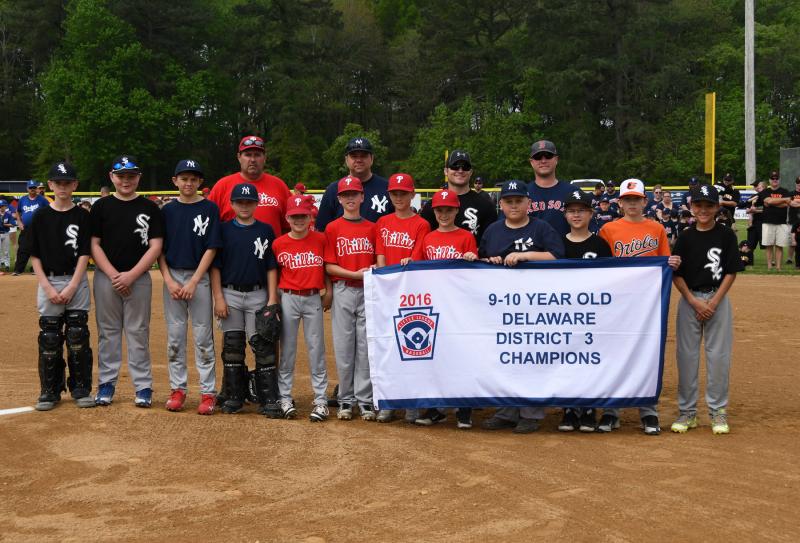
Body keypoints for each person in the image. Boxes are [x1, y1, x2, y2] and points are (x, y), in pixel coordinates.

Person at [479, 180, 565, 434]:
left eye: (519, 201)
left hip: (535, 306)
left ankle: (531, 412)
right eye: (509, 201)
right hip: (502, 305)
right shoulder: (493, 231)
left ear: (529, 203)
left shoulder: (541, 228)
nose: (514, 205)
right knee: (505, 358)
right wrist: (490, 260)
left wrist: (526, 255)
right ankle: (507, 410)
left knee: (531, 358)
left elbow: (557, 255)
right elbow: (482, 260)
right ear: (501, 204)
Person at [597, 178, 680, 435]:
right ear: (620, 202)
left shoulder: (656, 229)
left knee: (647, 353)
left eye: (636, 199)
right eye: (627, 200)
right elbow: (600, 269)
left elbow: (663, 263)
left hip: (647, 302)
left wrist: (672, 264)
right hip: (617, 302)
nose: (632, 204)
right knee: (615, 353)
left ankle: (648, 410)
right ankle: (612, 411)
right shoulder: (608, 230)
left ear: (645, 201)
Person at [91, 155, 164, 407]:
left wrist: (132, 274)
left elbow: (156, 245)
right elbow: (93, 244)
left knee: (138, 332)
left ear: (138, 178)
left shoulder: (149, 208)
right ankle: (106, 383)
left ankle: (143, 386)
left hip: (139, 277)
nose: (126, 180)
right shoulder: (101, 207)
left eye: (131, 175)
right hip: (105, 277)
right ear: (112, 177)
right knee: (108, 332)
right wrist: (113, 274)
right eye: (121, 175)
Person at [671, 184, 743, 435]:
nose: (703, 210)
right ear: (692, 207)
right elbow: (676, 274)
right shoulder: (685, 236)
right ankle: (688, 412)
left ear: (717, 208)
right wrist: (692, 300)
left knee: (719, 357)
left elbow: (731, 271)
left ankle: (718, 412)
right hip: (690, 299)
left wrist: (712, 302)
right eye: (699, 205)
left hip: (717, 299)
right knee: (686, 357)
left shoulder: (726, 235)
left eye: (709, 205)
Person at [28, 162, 95, 411]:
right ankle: (49, 390)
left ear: (75, 185)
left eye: (68, 182)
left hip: (75, 280)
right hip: (49, 280)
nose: (63, 187)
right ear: (50, 186)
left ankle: (80, 388)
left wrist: (73, 285)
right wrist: (46, 286)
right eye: (58, 183)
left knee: (78, 334)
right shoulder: (41, 216)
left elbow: (84, 254)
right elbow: (34, 254)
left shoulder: (81, 216)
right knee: (49, 337)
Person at [158, 159, 222, 415]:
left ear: (200, 183)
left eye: (194, 179)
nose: (188, 183)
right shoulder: (166, 211)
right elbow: (159, 250)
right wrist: (169, 280)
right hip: (172, 276)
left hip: (200, 277)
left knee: (203, 336)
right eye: (184, 178)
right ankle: (178, 389)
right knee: (175, 337)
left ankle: (208, 392)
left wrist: (195, 280)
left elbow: (212, 246)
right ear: (175, 181)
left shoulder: (209, 208)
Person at [411, 189, 479, 429]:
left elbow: (475, 269)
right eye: (439, 210)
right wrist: (406, 264)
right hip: (434, 304)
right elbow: (416, 267)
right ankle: (434, 408)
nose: (444, 214)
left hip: (459, 305)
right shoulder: (428, 238)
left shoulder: (465, 236)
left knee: (461, 355)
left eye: (448, 209)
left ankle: (464, 408)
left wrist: (472, 257)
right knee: (435, 356)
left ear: (456, 211)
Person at [211, 182, 280, 416]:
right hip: (230, 292)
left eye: (249, 202)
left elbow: (271, 267)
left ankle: (268, 397)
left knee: (262, 344)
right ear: (231, 204)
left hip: (258, 292)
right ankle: (234, 396)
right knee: (232, 346)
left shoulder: (265, 230)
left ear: (256, 204)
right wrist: (218, 297)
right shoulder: (223, 230)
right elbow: (216, 266)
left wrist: (272, 298)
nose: (244, 206)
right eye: (240, 201)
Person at [373, 173, 430, 423]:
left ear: (412, 194)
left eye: (403, 193)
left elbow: (416, 258)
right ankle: (389, 400)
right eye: (394, 193)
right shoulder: (383, 222)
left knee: (412, 347)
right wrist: (384, 282)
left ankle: (412, 403)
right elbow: (381, 257)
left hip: (411, 291)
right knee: (387, 346)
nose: (399, 197)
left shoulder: (421, 224)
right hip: (388, 291)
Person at [273, 195, 332, 422]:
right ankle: (285, 396)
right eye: (294, 216)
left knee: (316, 348)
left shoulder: (320, 239)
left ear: (310, 217)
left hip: (313, 298)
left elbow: (326, 268)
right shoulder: (279, 243)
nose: (299, 220)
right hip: (288, 297)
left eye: (303, 216)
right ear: (287, 217)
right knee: (287, 349)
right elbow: (276, 273)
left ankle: (320, 399)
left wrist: (328, 291)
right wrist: (275, 300)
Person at [323, 176, 377, 421]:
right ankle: (346, 399)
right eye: (346, 195)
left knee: (365, 348)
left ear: (362, 197)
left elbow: (380, 260)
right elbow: (329, 266)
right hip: (344, 288)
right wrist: (353, 273)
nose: (351, 198)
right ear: (339, 199)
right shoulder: (333, 228)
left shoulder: (372, 227)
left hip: (368, 291)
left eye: (354, 194)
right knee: (344, 348)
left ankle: (365, 400)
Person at [557, 189, 611, 433]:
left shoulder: (600, 244)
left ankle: (589, 407)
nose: (576, 215)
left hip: (591, 312)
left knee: (589, 359)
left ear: (591, 213)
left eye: (581, 210)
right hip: (563, 312)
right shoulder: (557, 243)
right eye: (571, 211)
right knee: (566, 359)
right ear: (565, 215)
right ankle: (568, 408)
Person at [207, 135, 291, 238]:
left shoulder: (280, 186)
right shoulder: (222, 186)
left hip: (270, 252)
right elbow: (208, 226)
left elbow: (291, 227)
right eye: (247, 155)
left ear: (265, 158)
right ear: (239, 157)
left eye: (257, 155)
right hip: (232, 252)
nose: (252, 159)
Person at [419, 150, 497, 244]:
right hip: (441, 257)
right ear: (446, 171)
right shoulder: (433, 205)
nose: (460, 170)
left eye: (465, 167)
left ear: (471, 172)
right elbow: (423, 242)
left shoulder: (485, 205)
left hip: (473, 257)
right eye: (454, 166)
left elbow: (491, 243)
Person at [316, 137, 393, 231]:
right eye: (354, 156)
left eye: (363, 156)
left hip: (378, 244)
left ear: (372, 158)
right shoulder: (333, 190)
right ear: (346, 160)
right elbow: (321, 229)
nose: (359, 160)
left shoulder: (387, 187)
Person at [526, 140, 576, 236]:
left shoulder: (573, 192)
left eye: (548, 156)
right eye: (538, 157)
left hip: (565, 250)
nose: (543, 161)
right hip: (529, 250)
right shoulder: (522, 193)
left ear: (556, 159)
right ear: (531, 162)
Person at [12, 179, 50, 275]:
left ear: (36, 189)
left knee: (38, 248)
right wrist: (19, 222)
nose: (32, 189)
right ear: (27, 188)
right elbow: (18, 211)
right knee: (23, 249)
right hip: (26, 228)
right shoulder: (23, 199)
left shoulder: (42, 200)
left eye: (34, 187)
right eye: (30, 188)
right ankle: (18, 270)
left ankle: (36, 270)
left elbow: (50, 211)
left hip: (39, 229)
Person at [757, 171, 791, 271]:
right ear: (769, 180)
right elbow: (768, 201)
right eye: (773, 178)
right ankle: (769, 266)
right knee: (769, 245)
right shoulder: (765, 192)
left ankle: (778, 267)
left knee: (779, 245)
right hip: (768, 221)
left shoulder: (784, 191)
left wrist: (772, 203)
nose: (775, 180)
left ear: (779, 180)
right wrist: (782, 200)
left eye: (776, 178)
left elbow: (786, 204)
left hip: (781, 222)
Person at [786, 176, 800, 265]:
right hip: (792, 220)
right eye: (798, 183)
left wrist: (796, 202)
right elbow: (789, 203)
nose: (799, 185)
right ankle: (790, 259)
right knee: (792, 241)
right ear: (796, 184)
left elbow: (794, 203)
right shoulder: (791, 193)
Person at [0, 199, 11, 271]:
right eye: (0, 206)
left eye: (2, 206)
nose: (1, 207)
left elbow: (12, 224)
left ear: (5, 206)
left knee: (6, 251)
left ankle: (7, 265)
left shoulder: (8, 215)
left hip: (6, 233)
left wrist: (5, 224)